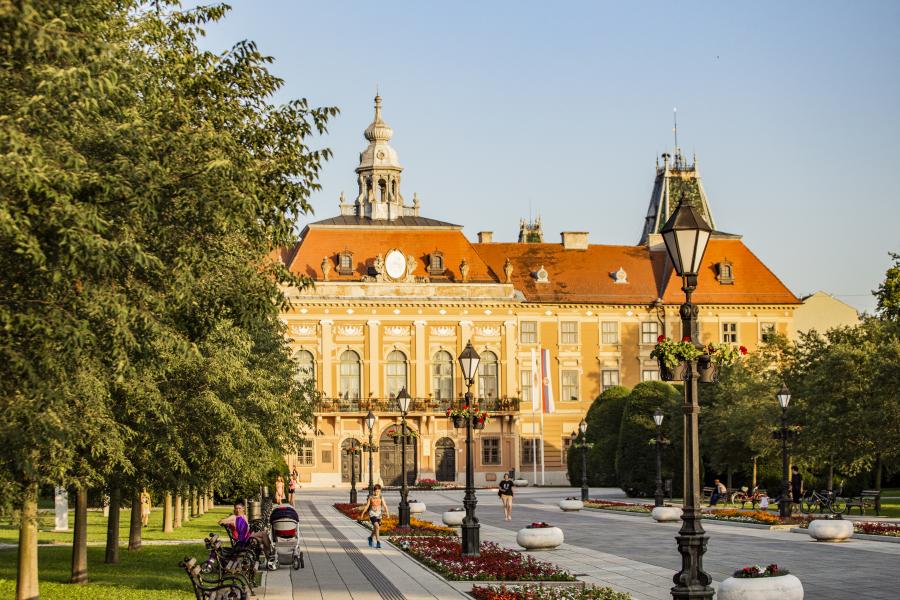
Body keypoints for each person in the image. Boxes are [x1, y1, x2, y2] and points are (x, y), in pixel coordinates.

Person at [219, 501, 276, 569]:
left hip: (248, 537)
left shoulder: (244, 516)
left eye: (239, 508)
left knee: (262, 539)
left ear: (243, 508)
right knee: (263, 534)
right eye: (236, 508)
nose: (238, 510)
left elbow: (247, 529)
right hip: (241, 541)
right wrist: (227, 522)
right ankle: (270, 554)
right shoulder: (234, 517)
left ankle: (269, 559)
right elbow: (221, 521)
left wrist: (251, 533)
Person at [358, 484, 389, 549]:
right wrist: (362, 514)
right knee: (377, 526)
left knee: (376, 528)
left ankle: (370, 538)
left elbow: (385, 505)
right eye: (376, 491)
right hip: (372, 514)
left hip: (379, 515)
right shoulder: (371, 497)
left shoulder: (381, 497)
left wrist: (387, 513)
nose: (378, 492)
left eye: (379, 491)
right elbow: (367, 506)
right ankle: (378, 542)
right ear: (374, 491)